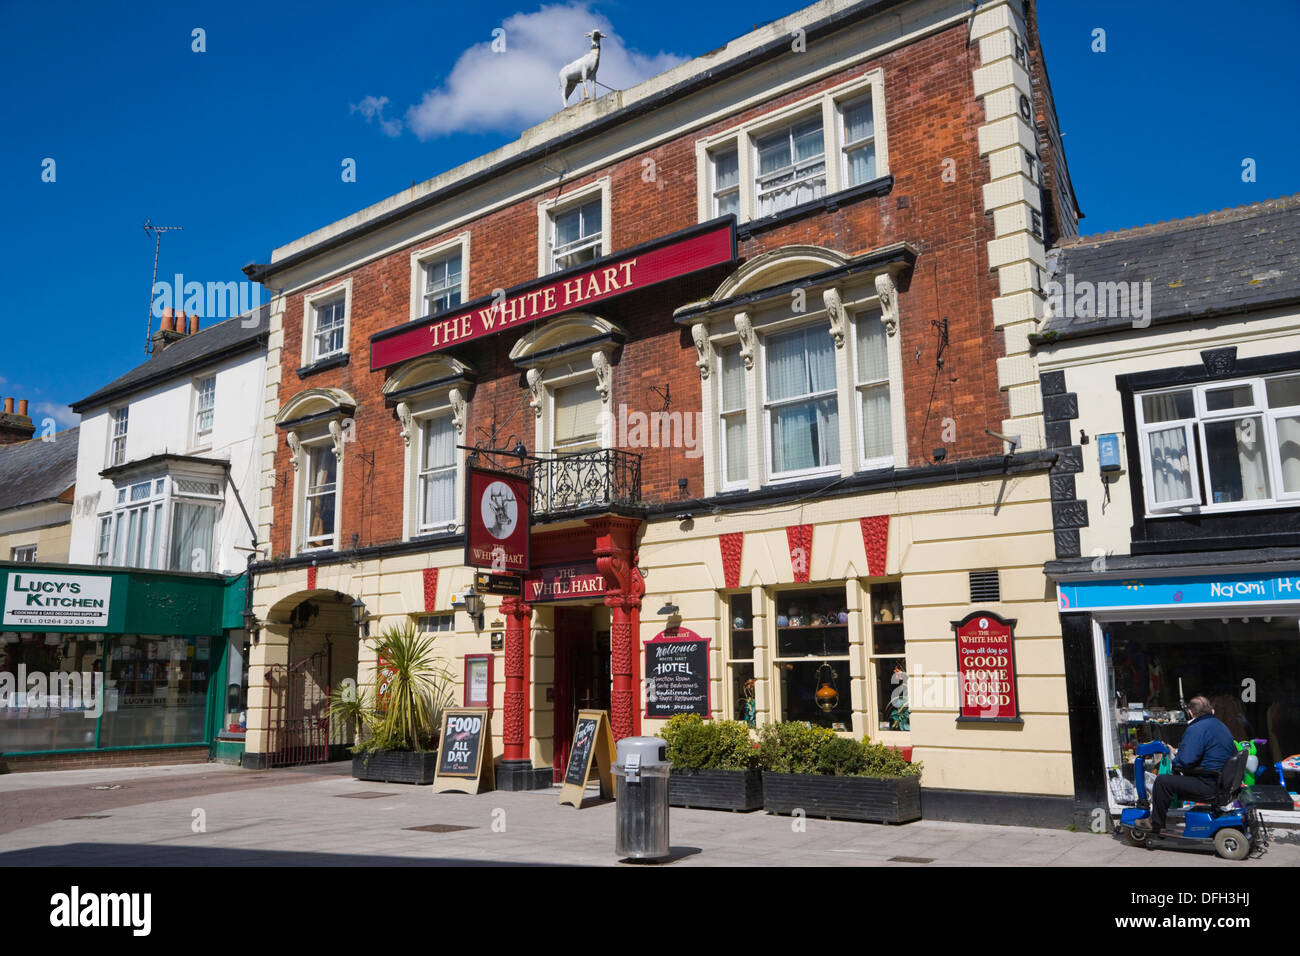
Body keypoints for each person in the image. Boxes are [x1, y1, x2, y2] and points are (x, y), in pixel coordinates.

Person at [1135, 695, 1237, 834]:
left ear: (1190, 712)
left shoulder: (1196, 728)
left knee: (1162, 781)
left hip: (1209, 784)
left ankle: (1155, 823)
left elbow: (1185, 762)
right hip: (1222, 782)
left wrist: (1175, 759)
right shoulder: (1220, 725)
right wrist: (1178, 752)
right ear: (1211, 710)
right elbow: (1205, 751)